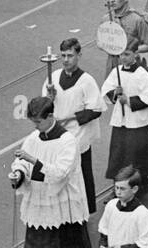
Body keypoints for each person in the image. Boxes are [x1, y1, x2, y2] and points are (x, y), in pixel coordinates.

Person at [9, 96, 102, 248]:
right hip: (40, 208)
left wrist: (32, 160)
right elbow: (22, 163)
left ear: (51, 117)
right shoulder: (33, 138)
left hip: (63, 209)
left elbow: (60, 173)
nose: (36, 127)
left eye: (38, 122)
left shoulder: (68, 141)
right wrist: (18, 173)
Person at [45, 37, 104, 214]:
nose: (65, 60)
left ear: (79, 55)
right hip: (59, 134)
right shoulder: (53, 77)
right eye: (62, 55)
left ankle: (84, 210)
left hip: (79, 134)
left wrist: (70, 118)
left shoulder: (86, 80)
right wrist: (50, 98)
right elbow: (45, 107)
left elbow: (97, 109)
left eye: (70, 55)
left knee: (81, 173)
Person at [101, 49, 148, 192]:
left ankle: (140, 183)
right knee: (119, 154)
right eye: (121, 55)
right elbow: (106, 88)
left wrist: (128, 100)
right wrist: (115, 93)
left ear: (135, 55)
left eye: (127, 54)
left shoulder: (142, 74)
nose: (123, 58)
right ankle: (119, 186)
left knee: (137, 156)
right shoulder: (117, 71)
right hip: (121, 121)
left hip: (138, 122)